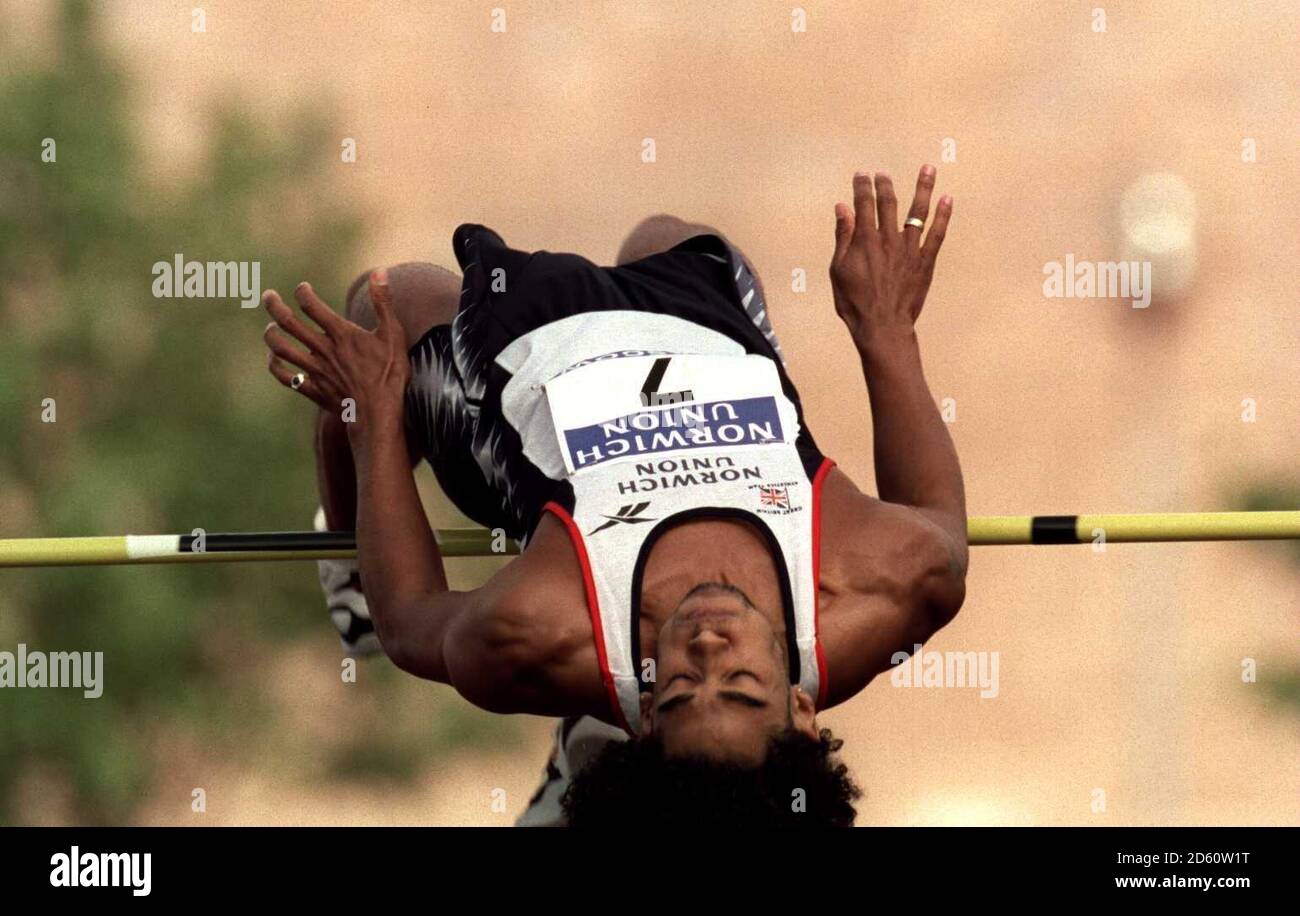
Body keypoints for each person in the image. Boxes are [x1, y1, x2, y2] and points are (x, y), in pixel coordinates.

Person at [262, 167, 967, 825]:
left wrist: (376, 422)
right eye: (744, 685)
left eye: (686, 687)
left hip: (517, 370)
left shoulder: (542, 628)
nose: (710, 645)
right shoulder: (875, 583)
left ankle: (345, 557)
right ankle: (587, 736)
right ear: (801, 707)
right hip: (702, 331)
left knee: (386, 305)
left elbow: (411, 620)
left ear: (651, 713)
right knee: (667, 236)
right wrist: (885, 327)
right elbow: (937, 521)